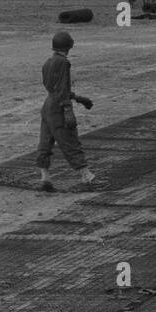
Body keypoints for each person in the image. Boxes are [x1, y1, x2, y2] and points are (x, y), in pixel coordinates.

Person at [35, 30, 97, 192]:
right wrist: (68, 108)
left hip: (47, 105)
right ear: (68, 47)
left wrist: (77, 97)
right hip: (58, 108)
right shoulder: (63, 63)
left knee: (45, 142)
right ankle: (86, 175)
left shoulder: (47, 63)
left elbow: (53, 88)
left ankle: (44, 178)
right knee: (69, 139)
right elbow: (62, 88)